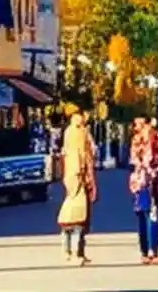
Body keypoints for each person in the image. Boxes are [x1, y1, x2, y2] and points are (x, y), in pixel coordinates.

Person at [130, 118, 158, 264]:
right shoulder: (157, 139)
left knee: (144, 215)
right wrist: (157, 169)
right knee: (150, 215)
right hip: (150, 182)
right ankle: (152, 252)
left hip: (140, 182)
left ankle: (145, 252)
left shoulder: (137, 140)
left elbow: (131, 161)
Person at [58, 113, 96, 266]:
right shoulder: (77, 137)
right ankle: (74, 252)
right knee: (77, 219)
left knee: (74, 219)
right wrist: (84, 177)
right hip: (77, 181)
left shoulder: (70, 136)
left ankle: (74, 251)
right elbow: (83, 157)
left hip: (74, 180)